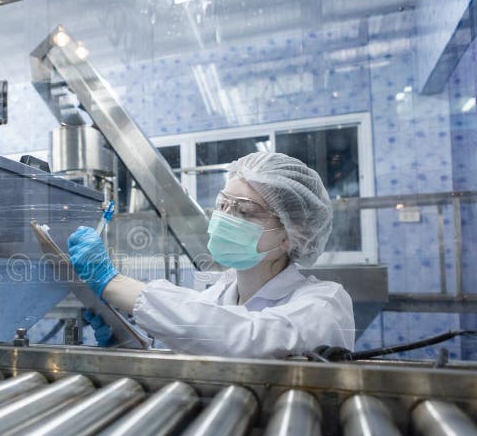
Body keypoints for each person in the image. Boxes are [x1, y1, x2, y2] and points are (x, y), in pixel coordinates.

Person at [68, 152, 355, 358]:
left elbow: (246, 339)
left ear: (289, 234)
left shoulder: (325, 303)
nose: (224, 219)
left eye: (243, 211)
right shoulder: (215, 296)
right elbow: (191, 348)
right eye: (222, 206)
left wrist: (113, 283)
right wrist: (125, 343)